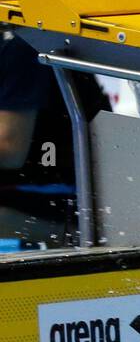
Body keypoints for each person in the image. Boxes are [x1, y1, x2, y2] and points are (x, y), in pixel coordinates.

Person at [0, 37, 111, 248]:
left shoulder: (22, 48)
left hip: (76, 195)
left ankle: (70, 237)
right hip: (39, 182)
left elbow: (10, 150)